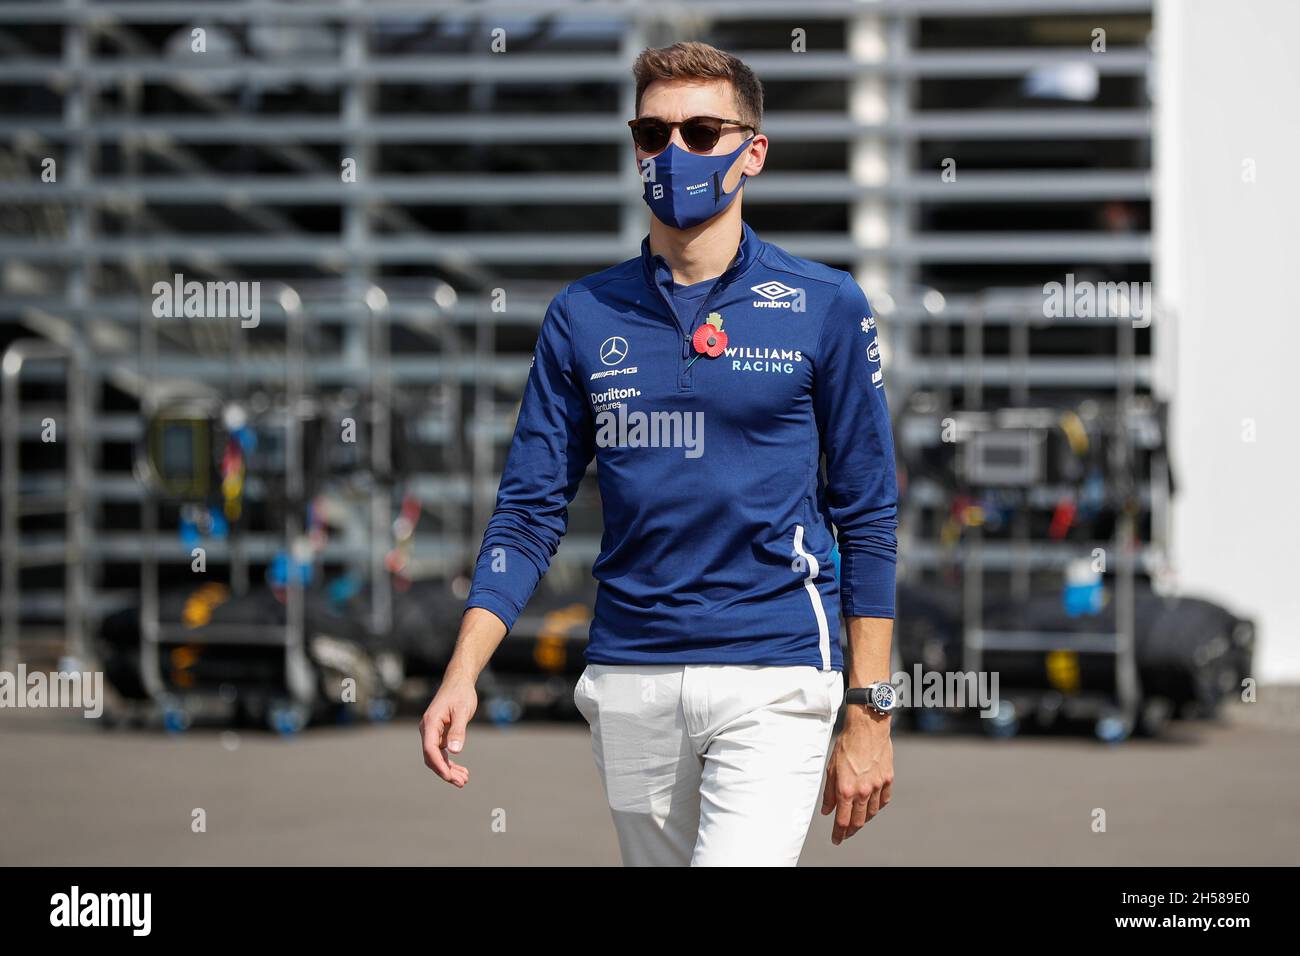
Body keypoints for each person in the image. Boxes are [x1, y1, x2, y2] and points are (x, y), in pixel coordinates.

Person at [420, 40, 899, 866]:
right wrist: (462, 671)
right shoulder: (582, 315)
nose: (674, 153)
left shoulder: (826, 306)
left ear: (753, 152)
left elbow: (869, 514)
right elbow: (530, 513)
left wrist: (870, 710)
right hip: (630, 672)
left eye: (703, 131)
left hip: (777, 668)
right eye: (653, 133)